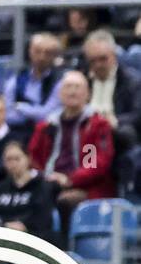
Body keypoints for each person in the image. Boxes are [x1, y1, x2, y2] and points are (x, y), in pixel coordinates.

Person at [28, 70, 118, 223]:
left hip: (85, 187)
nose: (72, 92)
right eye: (68, 87)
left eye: (78, 87)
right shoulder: (46, 126)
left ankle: (60, 245)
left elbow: (94, 164)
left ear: (87, 94)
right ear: (60, 94)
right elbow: (33, 157)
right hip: (49, 181)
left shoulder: (95, 125)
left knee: (61, 200)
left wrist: (69, 180)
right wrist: (45, 176)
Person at [0, 140, 56, 240]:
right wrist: (4, 226)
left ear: (28, 159)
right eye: (8, 159)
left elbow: (43, 218)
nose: (13, 163)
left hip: (35, 239)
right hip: (3, 239)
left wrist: (24, 226)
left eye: (17, 159)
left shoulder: (42, 186)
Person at [3, 33, 63, 136]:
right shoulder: (15, 80)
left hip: (48, 134)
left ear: (54, 56)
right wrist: (35, 113)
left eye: (47, 53)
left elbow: (48, 115)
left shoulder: (60, 82)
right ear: (30, 51)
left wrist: (21, 107)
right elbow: (8, 115)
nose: (42, 57)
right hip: (18, 132)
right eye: (37, 51)